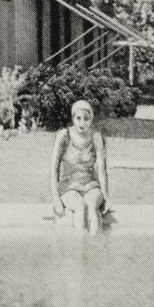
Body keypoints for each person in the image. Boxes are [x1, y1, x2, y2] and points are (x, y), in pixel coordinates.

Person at [50, 99, 110, 233]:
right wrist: (56, 200)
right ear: (73, 119)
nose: (82, 123)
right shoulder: (63, 136)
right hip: (69, 186)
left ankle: (94, 249)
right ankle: (79, 249)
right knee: (80, 207)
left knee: (93, 209)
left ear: (92, 120)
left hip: (91, 185)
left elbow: (101, 170)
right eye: (78, 118)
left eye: (86, 119)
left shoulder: (96, 137)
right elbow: (54, 170)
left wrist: (105, 196)